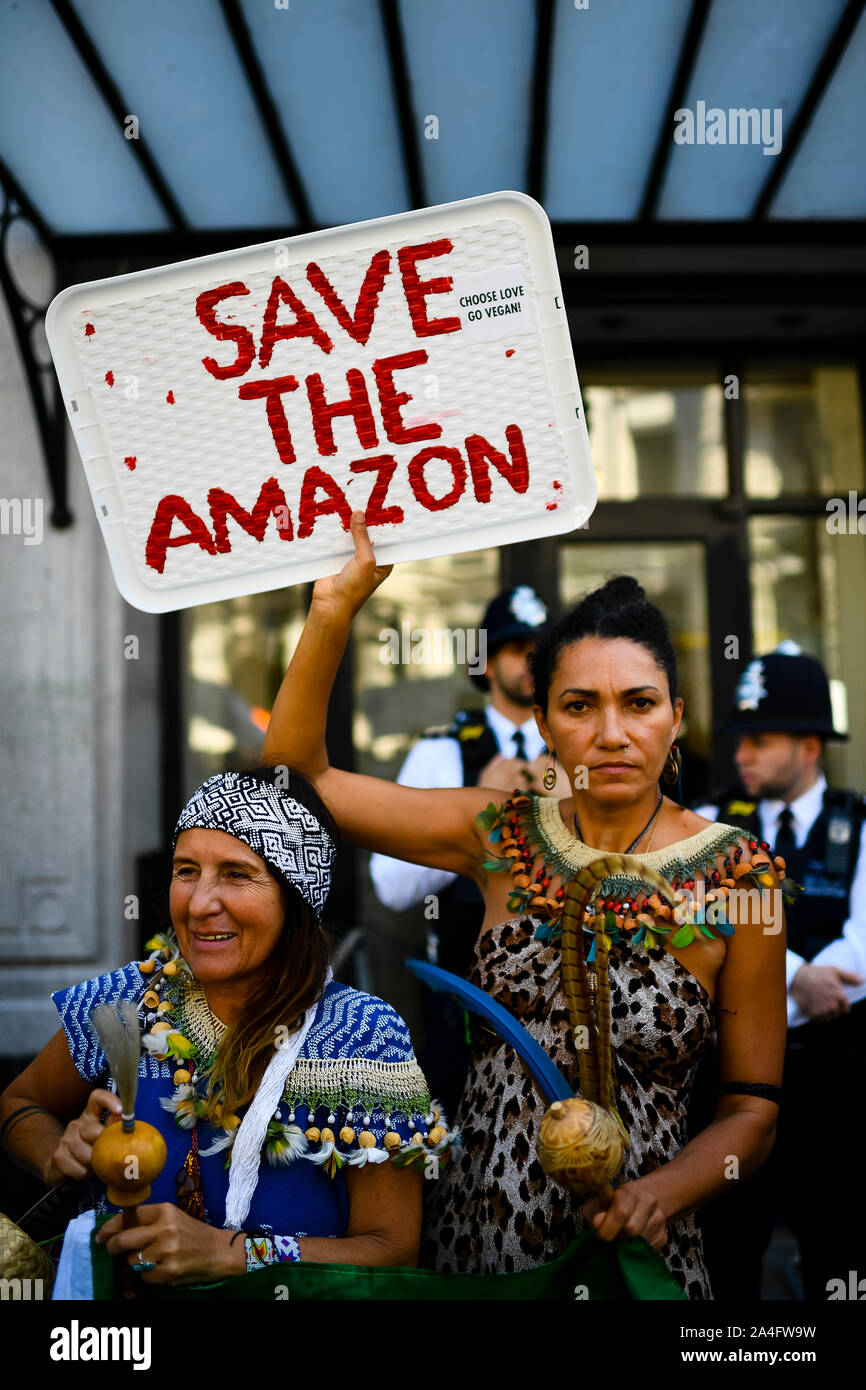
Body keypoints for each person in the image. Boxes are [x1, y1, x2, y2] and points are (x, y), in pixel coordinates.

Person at [261, 512, 787, 1300]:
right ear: (542, 723)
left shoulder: (740, 876)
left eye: (639, 704)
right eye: (579, 706)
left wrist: (659, 1196)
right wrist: (333, 611)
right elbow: (298, 779)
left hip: (638, 1255)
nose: (611, 733)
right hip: (479, 1245)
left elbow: (754, 1107)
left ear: (676, 719)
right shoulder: (498, 835)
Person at [0, 766, 452, 1289]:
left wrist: (230, 1252)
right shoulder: (131, 1000)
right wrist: (58, 1153)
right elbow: (18, 1104)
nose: (197, 904)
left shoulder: (359, 1035)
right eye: (186, 870)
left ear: (296, 896)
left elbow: (391, 1251)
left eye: (237, 874)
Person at [693, 645, 866, 1300]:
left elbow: (864, 944)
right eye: (741, 737)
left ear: (811, 745)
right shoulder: (712, 826)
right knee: (728, 1248)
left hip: (835, 1073)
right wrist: (795, 976)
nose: (742, 754)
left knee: (842, 1243)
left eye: (762, 739)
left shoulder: (860, 820)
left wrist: (783, 978)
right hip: (733, 1076)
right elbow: (708, 927)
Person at [370, 585, 559, 1112]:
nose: (530, 662)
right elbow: (391, 886)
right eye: (514, 648)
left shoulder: (583, 750)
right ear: (488, 663)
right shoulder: (441, 752)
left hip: (569, 1003)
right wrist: (477, 816)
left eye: (541, 649)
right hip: (467, 1006)